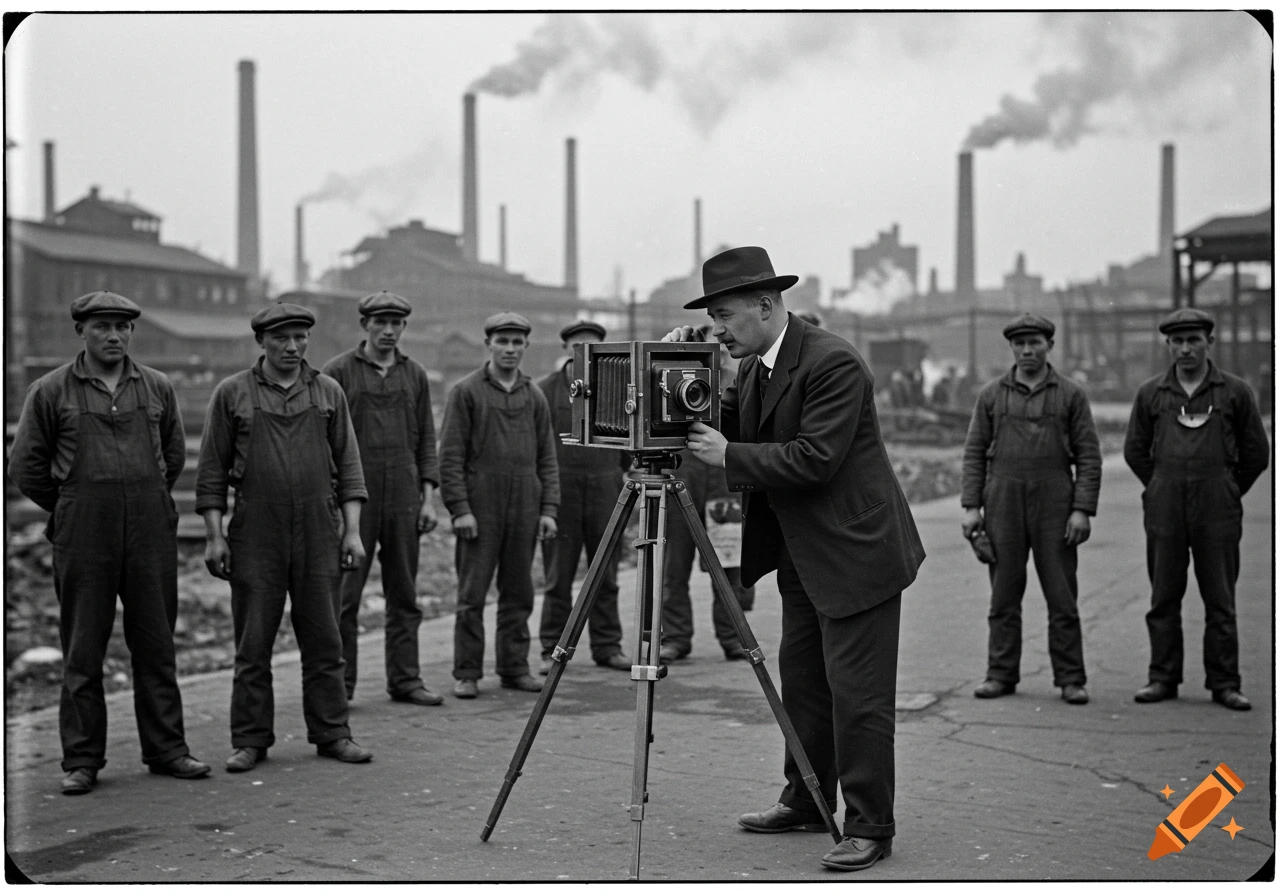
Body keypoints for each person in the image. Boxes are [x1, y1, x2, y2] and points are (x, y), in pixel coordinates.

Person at [666, 246, 925, 873]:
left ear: (766, 304)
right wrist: (683, 367)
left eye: (724, 317)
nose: (719, 330)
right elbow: (732, 423)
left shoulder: (832, 361)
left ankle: (870, 825)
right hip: (803, 555)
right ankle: (807, 801)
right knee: (805, 688)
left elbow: (813, 458)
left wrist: (728, 455)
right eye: (713, 320)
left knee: (858, 696)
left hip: (856, 556)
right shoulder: (756, 365)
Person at [8, 291, 210, 795]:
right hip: (83, 533)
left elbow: (173, 455)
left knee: (157, 644)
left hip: (148, 530)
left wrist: (144, 499)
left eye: (122, 326)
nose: (114, 335)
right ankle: (81, 760)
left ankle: (168, 750)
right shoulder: (50, 390)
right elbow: (26, 467)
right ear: (82, 331)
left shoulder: (157, 387)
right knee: (83, 649)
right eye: (102, 326)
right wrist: (71, 505)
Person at [197, 302, 372, 772]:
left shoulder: (328, 392)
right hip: (256, 532)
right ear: (262, 342)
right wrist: (215, 537)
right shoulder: (231, 393)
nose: (293, 347)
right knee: (253, 643)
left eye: (300, 338)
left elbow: (350, 469)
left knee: (324, 639)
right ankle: (251, 740)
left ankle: (333, 732)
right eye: (282, 339)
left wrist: (351, 533)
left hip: (320, 530)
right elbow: (211, 474)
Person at [1123, 308, 1268, 711]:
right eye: (1178, 341)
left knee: (1219, 598)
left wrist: (1226, 489)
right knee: (1164, 595)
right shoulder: (1151, 393)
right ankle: (1162, 678)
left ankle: (1225, 683)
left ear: (1209, 342)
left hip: (1217, 506)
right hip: (1165, 506)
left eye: (1194, 340)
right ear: (1167, 345)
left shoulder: (1235, 392)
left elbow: (1257, 453)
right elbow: (1135, 450)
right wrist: (1158, 485)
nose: (1185, 349)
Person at [961, 313, 1101, 705]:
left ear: (1049, 346)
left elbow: (1089, 456)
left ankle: (1071, 678)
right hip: (1002, 499)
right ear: (1011, 348)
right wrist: (971, 507)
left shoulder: (1071, 395)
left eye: (1035, 343)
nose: (1027, 350)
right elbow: (974, 453)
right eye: (1020, 344)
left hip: (1056, 499)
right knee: (1004, 594)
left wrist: (1082, 509)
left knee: (1061, 594)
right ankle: (1000, 674)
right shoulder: (991, 395)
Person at [322, 291, 444, 707]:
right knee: (346, 598)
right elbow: (325, 443)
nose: (389, 331)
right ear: (365, 326)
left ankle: (406, 679)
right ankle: (341, 685)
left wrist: (428, 499)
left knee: (404, 593)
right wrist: (337, 507)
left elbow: (427, 439)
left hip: (405, 497)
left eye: (397, 323)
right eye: (381, 323)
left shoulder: (415, 375)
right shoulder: (337, 372)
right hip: (355, 501)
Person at [439, 312, 559, 699]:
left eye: (517, 342)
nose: (509, 349)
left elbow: (547, 458)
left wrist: (548, 510)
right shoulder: (466, 391)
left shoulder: (533, 394)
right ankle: (467, 672)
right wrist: (460, 509)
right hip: (481, 507)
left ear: (526, 346)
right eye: (502, 341)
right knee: (472, 595)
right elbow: (450, 456)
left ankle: (513, 667)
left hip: (524, 504)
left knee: (519, 592)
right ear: (488, 343)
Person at [535, 319, 632, 675]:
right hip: (562, 491)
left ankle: (608, 646)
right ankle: (552, 649)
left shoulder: (615, 388)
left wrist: (622, 474)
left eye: (594, 347)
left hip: (606, 487)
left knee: (605, 573)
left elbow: (628, 441)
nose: (586, 353)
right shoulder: (544, 391)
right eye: (579, 346)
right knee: (558, 575)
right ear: (566, 350)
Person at [659, 340, 756, 663]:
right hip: (684, 476)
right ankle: (675, 637)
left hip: (724, 483)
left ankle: (733, 638)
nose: (718, 356)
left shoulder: (740, 381)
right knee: (675, 565)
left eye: (723, 350)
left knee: (729, 564)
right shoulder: (678, 378)